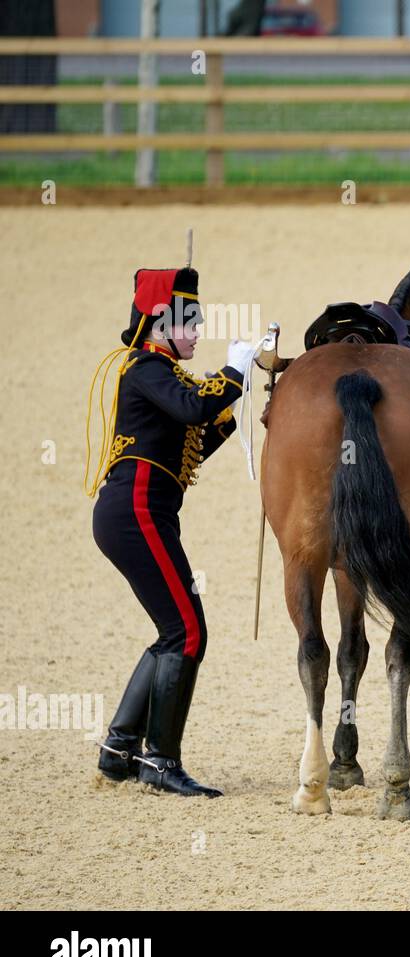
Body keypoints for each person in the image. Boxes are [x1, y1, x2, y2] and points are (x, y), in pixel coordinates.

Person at [86, 266, 255, 795]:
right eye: (191, 320)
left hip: (144, 512)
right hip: (135, 510)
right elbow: (191, 406)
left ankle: (119, 749)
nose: (199, 330)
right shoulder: (145, 368)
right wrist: (233, 373)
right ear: (161, 321)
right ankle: (159, 762)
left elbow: (191, 447)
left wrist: (232, 407)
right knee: (188, 631)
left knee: (174, 630)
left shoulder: (164, 374)